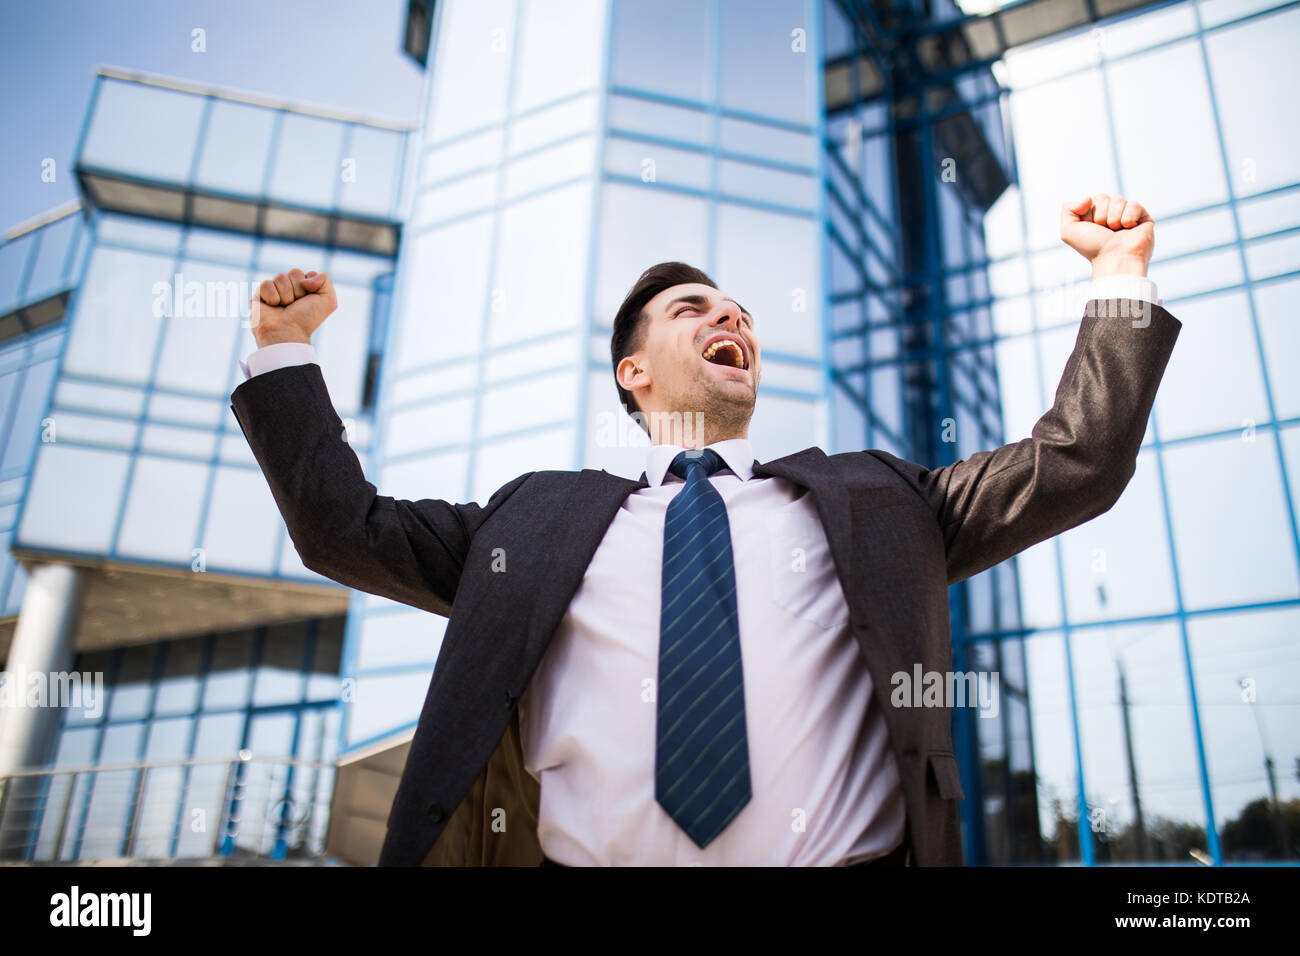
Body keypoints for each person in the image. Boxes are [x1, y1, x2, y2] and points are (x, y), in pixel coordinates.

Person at [229, 194, 1180, 866]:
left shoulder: (884, 501)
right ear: (633, 373)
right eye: (694, 311)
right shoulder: (533, 520)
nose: (732, 317)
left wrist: (1120, 276)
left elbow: (1077, 464)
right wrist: (284, 351)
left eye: (742, 315)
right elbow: (341, 529)